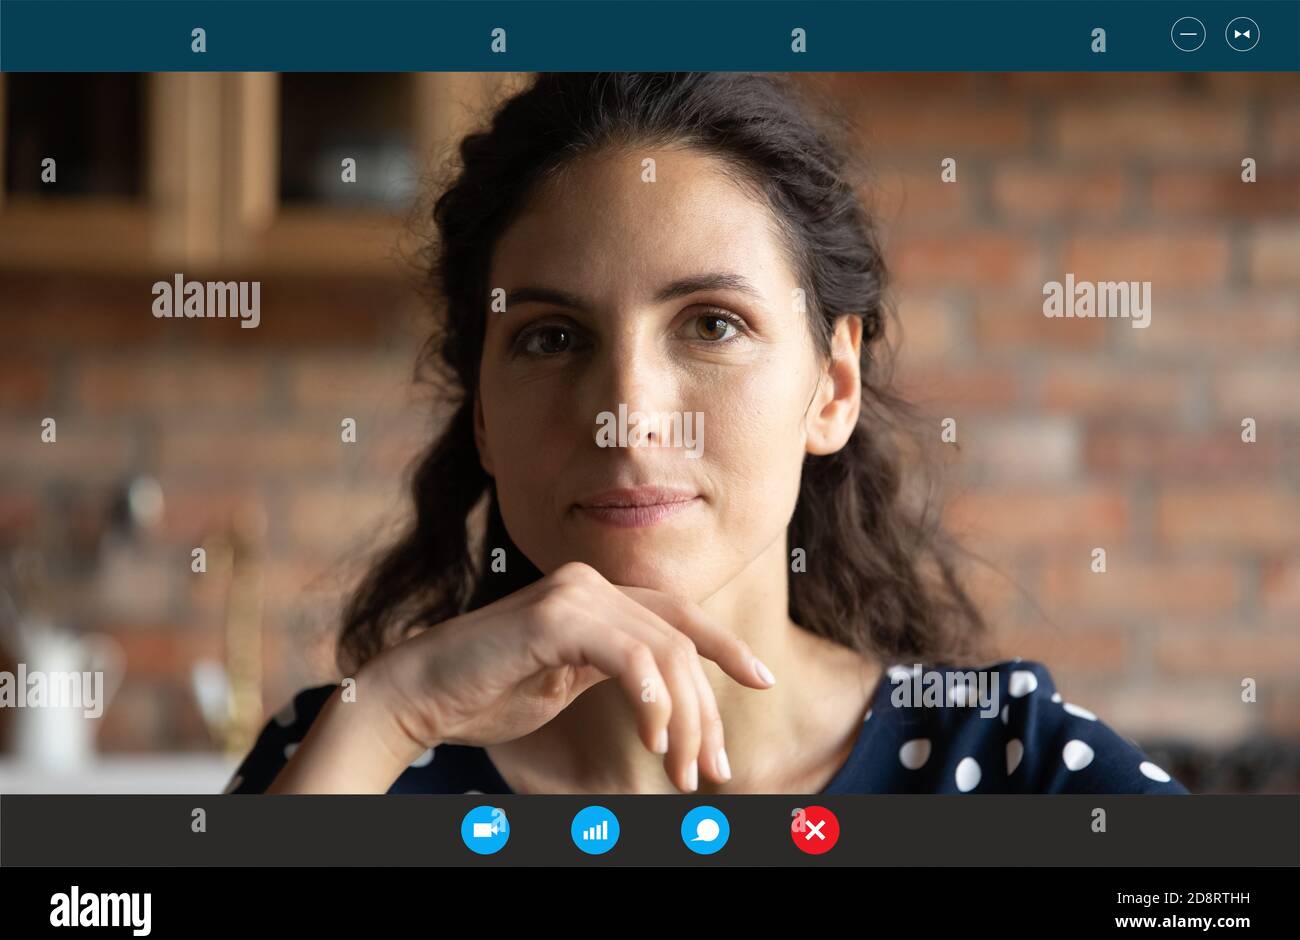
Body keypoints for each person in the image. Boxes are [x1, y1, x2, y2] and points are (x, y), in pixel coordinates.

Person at [225, 72, 1188, 796]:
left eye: (712, 324)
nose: (627, 412)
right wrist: (392, 712)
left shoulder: (1019, 770)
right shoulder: (343, 759)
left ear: (832, 386)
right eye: (552, 338)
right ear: (481, 412)